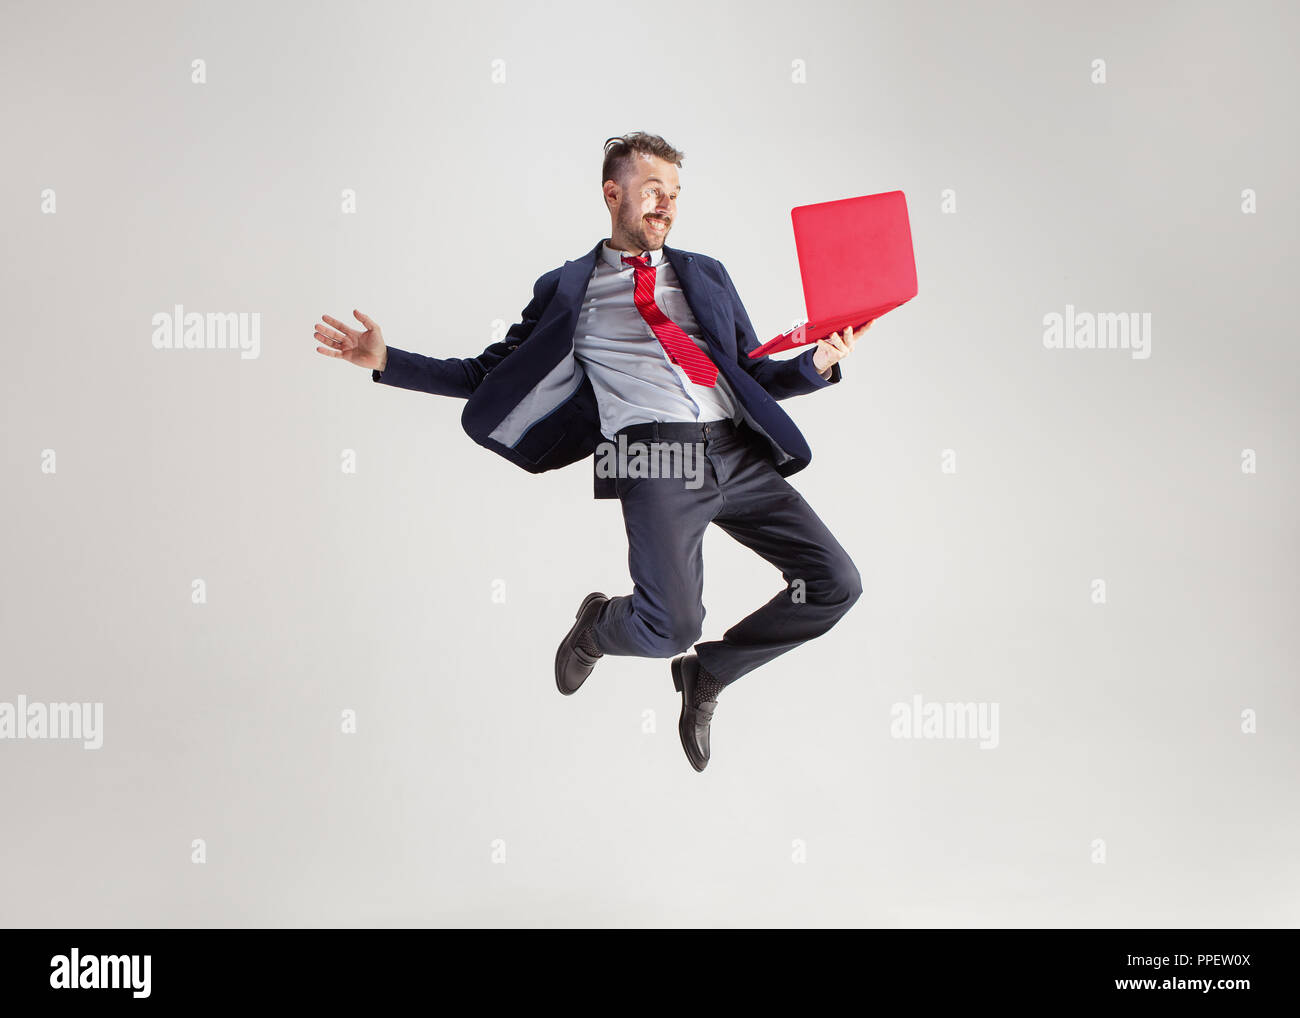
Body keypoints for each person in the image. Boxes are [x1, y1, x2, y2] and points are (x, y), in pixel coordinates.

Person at [314, 132, 867, 771]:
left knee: (835, 583)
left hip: (736, 448)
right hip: (651, 455)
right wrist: (388, 361)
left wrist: (819, 362)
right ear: (614, 193)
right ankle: (599, 624)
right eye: (654, 190)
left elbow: (747, 375)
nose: (667, 205)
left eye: (676, 194)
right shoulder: (566, 289)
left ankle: (711, 672)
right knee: (670, 627)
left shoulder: (707, 274)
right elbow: (487, 373)